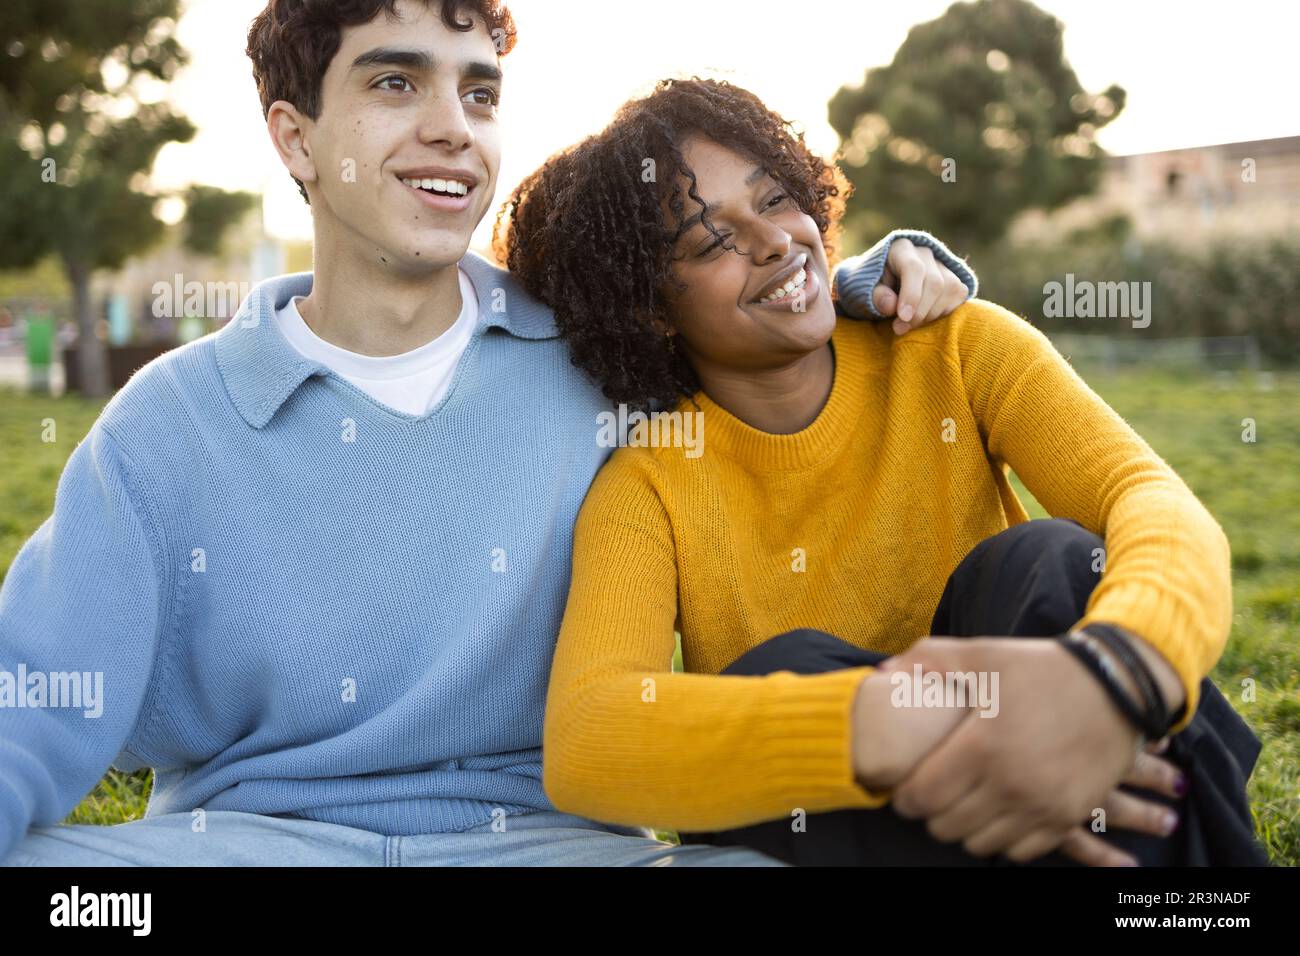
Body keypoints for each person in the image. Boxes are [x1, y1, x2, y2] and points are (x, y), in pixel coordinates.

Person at [0, 1, 973, 867]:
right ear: (296, 140)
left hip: (559, 843)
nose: (451, 130)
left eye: (479, 93)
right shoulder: (167, 426)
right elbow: (29, 703)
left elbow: (749, 330)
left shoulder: (601, 357)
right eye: (394, 81)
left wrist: (860, 285)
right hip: (248, 841)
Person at [498, 77, 1270, 866]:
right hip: (841, 817)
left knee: (1053, 563)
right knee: (780, 668)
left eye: (772, 201)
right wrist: (903, 721)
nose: (771, 243)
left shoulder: (955, 346)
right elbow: (590, 737)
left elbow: (1148, 500)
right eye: (709, 243)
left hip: (1061, 752)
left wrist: (1112, 675)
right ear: (648, 307)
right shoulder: (649, 485)